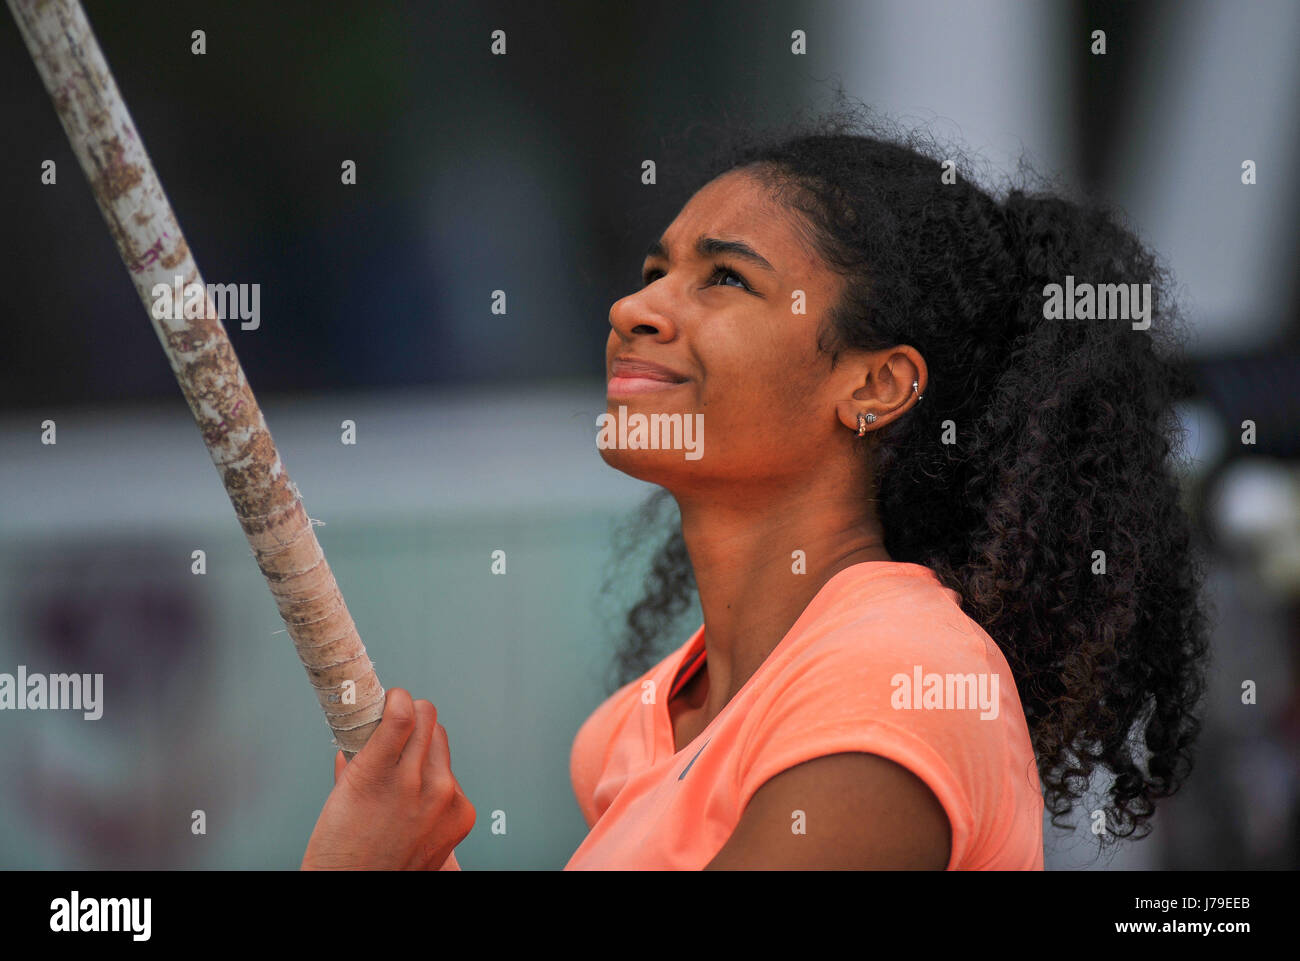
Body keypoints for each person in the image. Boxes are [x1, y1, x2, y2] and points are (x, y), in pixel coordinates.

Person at [300, 103, 1211, 870]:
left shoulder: (899, 680)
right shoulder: (638, 726)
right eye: (656, 271)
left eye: (725, 278)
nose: (633, 307)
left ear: (875, 385)